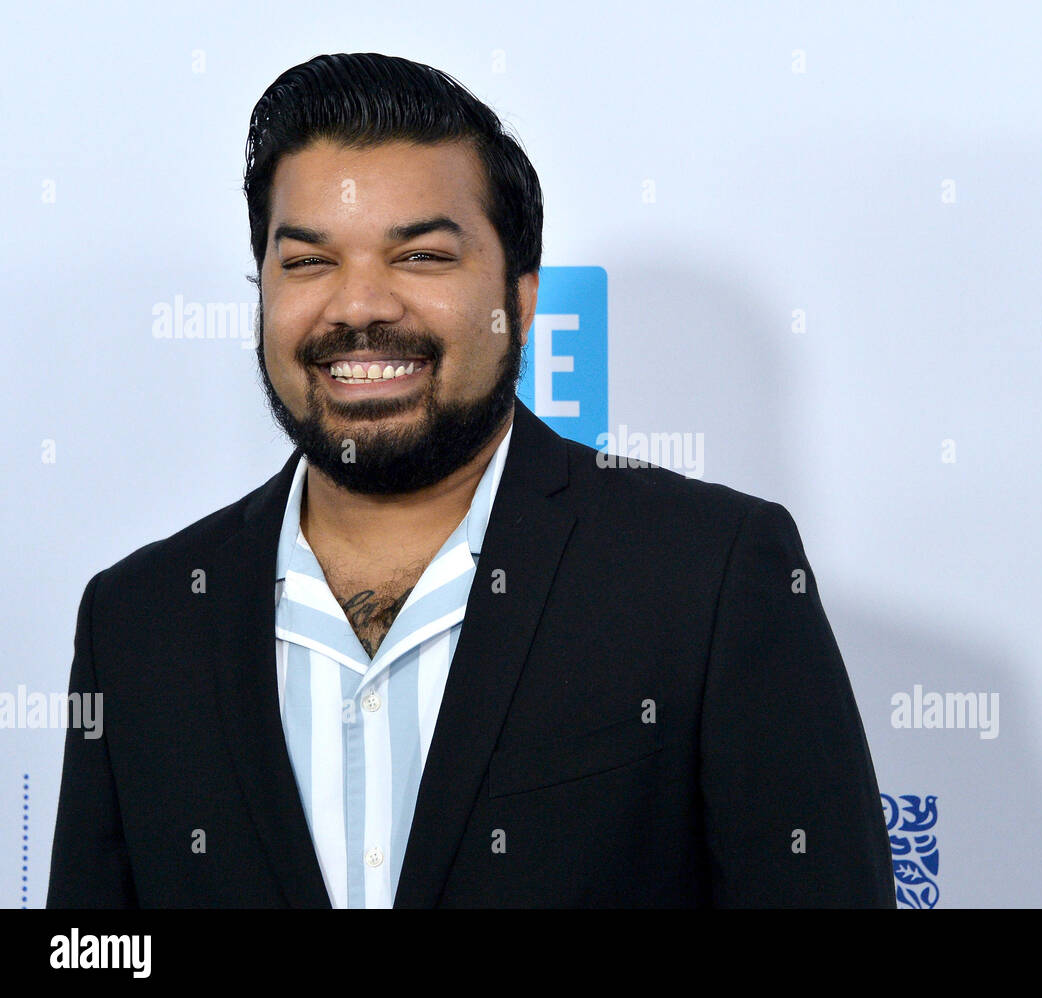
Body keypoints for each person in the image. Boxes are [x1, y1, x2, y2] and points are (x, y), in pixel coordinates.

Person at [47, 52, 895, 908]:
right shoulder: (139, 620)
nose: (359, 307)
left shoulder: (707, 575)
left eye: (418, 257)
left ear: (520, 301)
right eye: (308, 263)